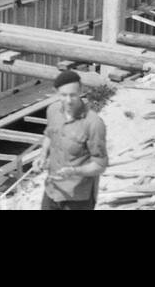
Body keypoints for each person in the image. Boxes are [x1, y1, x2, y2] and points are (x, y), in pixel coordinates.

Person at [33, 70, 107, 210]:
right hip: (52, 192)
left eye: (73, 95)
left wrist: (74, 171)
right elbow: (49, 134)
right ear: (56, 93)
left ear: (81, 91)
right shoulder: (52, 111)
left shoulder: (93, 123)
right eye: (63, 95)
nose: (68, 100)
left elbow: (100, 165)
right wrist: (42, 156)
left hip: (78, 199)